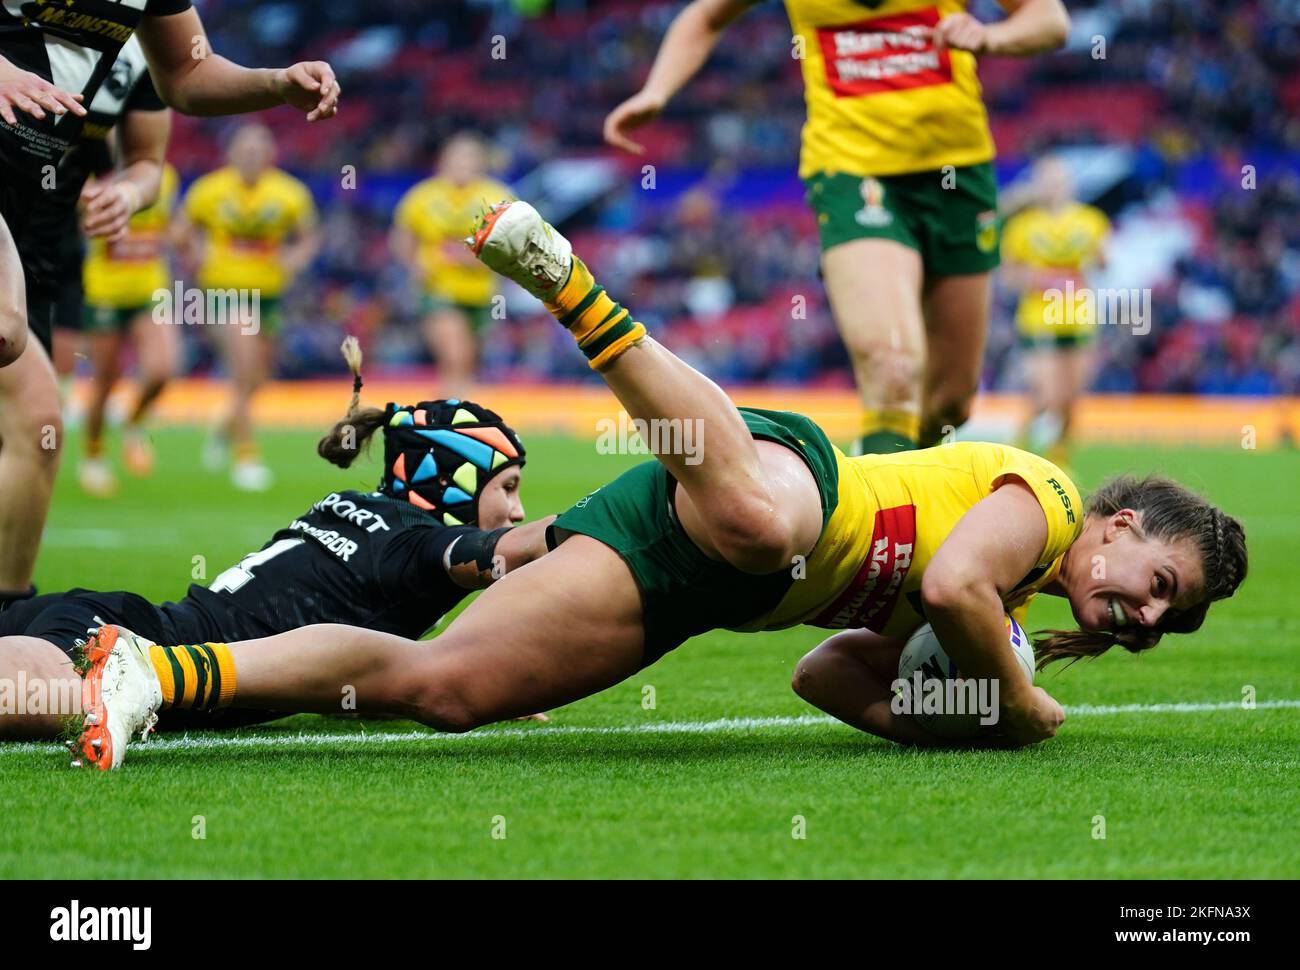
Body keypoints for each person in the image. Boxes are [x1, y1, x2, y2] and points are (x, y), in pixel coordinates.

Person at [74, 201, 1246, 769]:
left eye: (1160, 620)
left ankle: (152, 672)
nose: (1142, 615)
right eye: (1155, 584)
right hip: (782, 480)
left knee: (442, 690)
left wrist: (946, 719)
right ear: (1121, 523)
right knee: (757, 519)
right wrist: (1025, 707)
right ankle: (574, 284)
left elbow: (823, 672)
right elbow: (947, 581)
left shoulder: (1014, 606)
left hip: (687, 580)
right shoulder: (1039, 499)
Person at [1, 340, 551, 740]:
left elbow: (353, 681)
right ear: (452, 480)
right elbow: (508, 553)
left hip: (105, 618)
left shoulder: (358, 510)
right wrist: (604, 524)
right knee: (63, 701)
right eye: (507, 487)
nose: (516, 508)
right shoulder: (414, 549)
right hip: (118, 648)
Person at [603, 0, 1070, 455]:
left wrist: (991, 36)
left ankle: (903, 480)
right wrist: (657, 91)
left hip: (958, 174)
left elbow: (1049, 18)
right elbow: (705, 14)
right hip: (851, 171)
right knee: (892, 367)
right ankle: (882, 525)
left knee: (951, 401)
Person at [0, 0, 339, 609]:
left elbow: (186, 76)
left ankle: (9, 620)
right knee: (17, 364)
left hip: (39, 240)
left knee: (37, 423)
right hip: (58, 256)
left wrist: (275, 82)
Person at [177, 123, 322, 491]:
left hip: (269, 294)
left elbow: (308, 237)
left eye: (259, 149)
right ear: (230, 153)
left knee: (259, 377)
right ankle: (246, 457)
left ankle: (223, 428)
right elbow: (181, 231)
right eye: (245, 148)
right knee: (243, 370)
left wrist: (295, 259)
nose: (252, 155)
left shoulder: (289, 193)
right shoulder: (209, 190)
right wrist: (195, 254)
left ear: (271, 154)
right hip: (225, 292)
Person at [1001, 157, 1111, 469]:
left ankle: (1060, 460)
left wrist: (1098, 259)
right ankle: (1019, 453)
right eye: (1048, 180)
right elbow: (1008, 276)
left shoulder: (1090, 221)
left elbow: (1103, 263)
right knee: (1046, 394)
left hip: (1078, 318)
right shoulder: (1023, 226)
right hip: (1039, 319)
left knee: (1072, 397)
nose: (1054, 187)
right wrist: (1039, 279)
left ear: (1070, 184)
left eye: (1059, 180)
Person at [390, 132, 513, 395]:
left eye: (469, 159)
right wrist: (414, 265)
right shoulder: (423, 196)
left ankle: (449, 413)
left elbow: (513, 245)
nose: (462, 165)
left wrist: (479, 261)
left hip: (482, 294)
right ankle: (450, 417)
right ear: (442, 162)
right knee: (455, 356)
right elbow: (402, 237)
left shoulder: (499, 197)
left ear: (481, 163)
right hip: (438, 288)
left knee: (468, 363)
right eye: (456, 159)